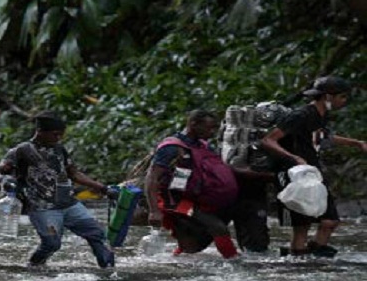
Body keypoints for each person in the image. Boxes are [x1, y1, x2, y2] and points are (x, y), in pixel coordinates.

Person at [0, 112, 114, 268]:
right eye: (55, 134)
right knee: (52, 244)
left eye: (61, 135)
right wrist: (3, 179)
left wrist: (102, 187)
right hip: (41, 207)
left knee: (98, 236)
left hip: (69, 204)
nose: (59, 138)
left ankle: (109, 274)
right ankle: (33, 267)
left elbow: (73, 173)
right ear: (40, 132)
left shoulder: (59, 149)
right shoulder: (22, 150)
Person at [261, 76, 367, 257]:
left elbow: (322, 137)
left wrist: (356, 143)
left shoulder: (322, 115)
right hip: (293, 174)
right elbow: (268, 140)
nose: (344, 101)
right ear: (327, 97)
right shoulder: (300, 115)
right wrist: (294, 158)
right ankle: (301, 262)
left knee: (329, 221)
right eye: (342, 97)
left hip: (312, 173)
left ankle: (312, 257)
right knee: (302, 225)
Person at [145, 110, 239, 259]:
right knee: (217, 227)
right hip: (172, 201)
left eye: (215, 128)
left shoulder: (202, 145)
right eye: (210, 128)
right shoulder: (171, 147)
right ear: (193, 124)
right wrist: (154, 210)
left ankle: (178, 257)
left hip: (193, 198)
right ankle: (235, 262)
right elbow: (152, 178)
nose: (213, 132)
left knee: (199, 239)